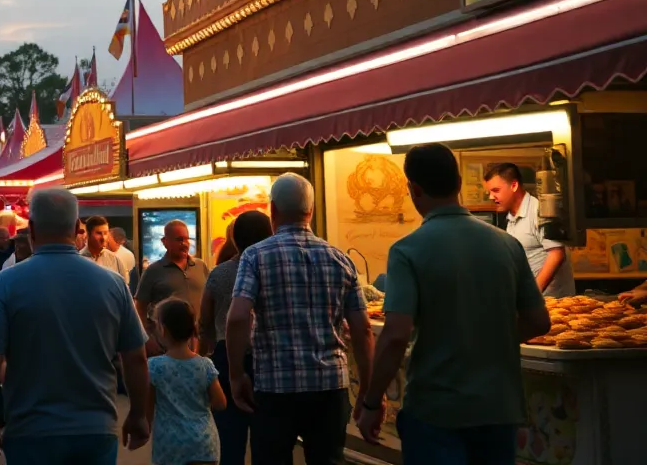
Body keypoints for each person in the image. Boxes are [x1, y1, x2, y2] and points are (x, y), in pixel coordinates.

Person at [357, 144, 552, 462]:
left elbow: (395, 335)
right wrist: (487, 337)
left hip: (436, 411)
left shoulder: (407, 250)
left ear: (414, 189)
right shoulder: (508, 245)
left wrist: (371, 402)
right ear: (459, 183)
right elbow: (538, 321)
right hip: (499, 409)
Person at [0, 188, 150, 465]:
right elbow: (136, 357)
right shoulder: (113, 284)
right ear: (78, 228)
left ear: (31, 229)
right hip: (95, 430)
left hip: (30, 432)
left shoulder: (6, 283)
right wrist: (138, 413)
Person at [226, 173, 374, 465]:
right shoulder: (340, 258)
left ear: (274, 211)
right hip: (330, 387)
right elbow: (362, 328)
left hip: (275, 387)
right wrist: (368, 390)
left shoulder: (255, 256)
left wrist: (235, 374)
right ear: (311, 211)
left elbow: (237, 317)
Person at [198, 210, 273, 464]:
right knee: (267, 438)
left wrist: (203, 351)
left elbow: (204, 321)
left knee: (229, 437)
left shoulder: (218, 274)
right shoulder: (274, 270)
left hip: (225, 356)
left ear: (235, 240)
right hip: (267, 357)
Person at [147, 298, 226, 465]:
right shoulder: (205, 365)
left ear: (162, 329)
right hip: (203, 445)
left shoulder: (154, 367)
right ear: (193, 329)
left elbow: (147, 408)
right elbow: (220, 403)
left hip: (169, 446)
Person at [485, 163, 576, 298]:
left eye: (496, 190)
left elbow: (557, 254)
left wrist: (532, 296)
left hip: (552, 303)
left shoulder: (540, 211)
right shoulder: (511, 218)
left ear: (514, 186)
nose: (491, 197)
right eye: (489, 192)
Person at [136, 219, 209, 356]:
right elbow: (140, 307)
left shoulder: (200, 266)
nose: (185, 244)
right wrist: (147, 339)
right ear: (165, 242)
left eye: (187, 239)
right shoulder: (153, 271)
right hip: (165, 347)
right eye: (179, 240)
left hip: (198, 346)